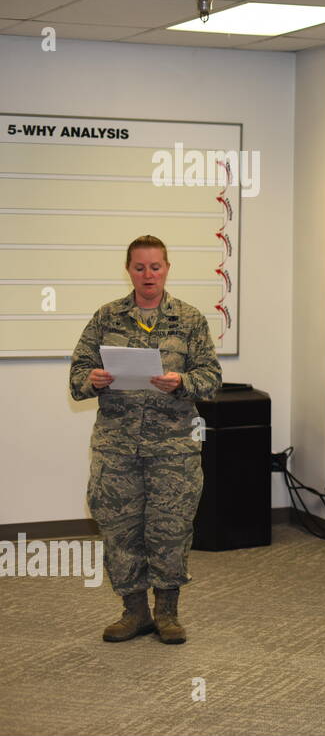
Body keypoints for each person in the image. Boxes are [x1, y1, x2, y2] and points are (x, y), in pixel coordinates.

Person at [69, 235, 222, 644]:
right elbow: (77, 376)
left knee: (170, 529)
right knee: (121, 530)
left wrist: (181, 382)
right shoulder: (106, 317)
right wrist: (93, 379)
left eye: (155, 267)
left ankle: (168, 613)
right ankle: (134, 612)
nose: (148, 275)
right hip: (116, 448)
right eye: (140, 267)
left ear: (167, 268)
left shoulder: (189, 320)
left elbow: (211, 379)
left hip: (173, 449)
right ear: (128, 270)